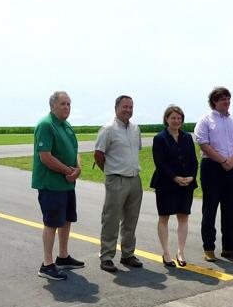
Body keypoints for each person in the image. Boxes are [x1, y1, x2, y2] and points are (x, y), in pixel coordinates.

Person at [32, 91, 85, 280]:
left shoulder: (66, 125)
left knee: (67, 220)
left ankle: (63, 257)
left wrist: (78, 168)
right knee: (51, 223)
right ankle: (47, 264)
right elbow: (45, 157)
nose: (67, 107)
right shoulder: (46, 125)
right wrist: (67, 171)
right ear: (53, 105)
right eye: (63, 104)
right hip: (51, 184)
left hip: (67, 185)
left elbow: (75, 151)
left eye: (69, 104)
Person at [194, 86, 233, 262]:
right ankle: (209, 248)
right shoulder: (205, 120)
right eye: (222, 99)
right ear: (214, 102)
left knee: (231, 209)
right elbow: (203, 143)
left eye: (228, 98)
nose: (226, 101)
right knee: (210, 209)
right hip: (212, 168)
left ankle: (230, 247)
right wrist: (222, 160)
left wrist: (232, 160)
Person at [95, 95, 143, 273]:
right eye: (125, 107)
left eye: (131, 107)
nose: (128, 110)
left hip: (134, 179)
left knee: (131, 219)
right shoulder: (108, 129)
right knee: (111, 219)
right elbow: (98, 155)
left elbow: (135, 151)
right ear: (116, 107)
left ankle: (128, 254)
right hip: (116, 179)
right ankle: (106, 256)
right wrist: (110, 173)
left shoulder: (135, 129)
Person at [150, 105, 198, 267]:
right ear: (166, 119)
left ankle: (180, 252)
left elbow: (193, 160)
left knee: (183, 217)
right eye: (173, 118)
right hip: (166, 183)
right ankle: (166, 253)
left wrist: (191, 177)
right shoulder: (160, 138)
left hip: (186, 183)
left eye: (179, 118)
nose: (176, 121)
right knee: (164, 217)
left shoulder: (187, 137)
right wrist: (175, 178)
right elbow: (160, 163)